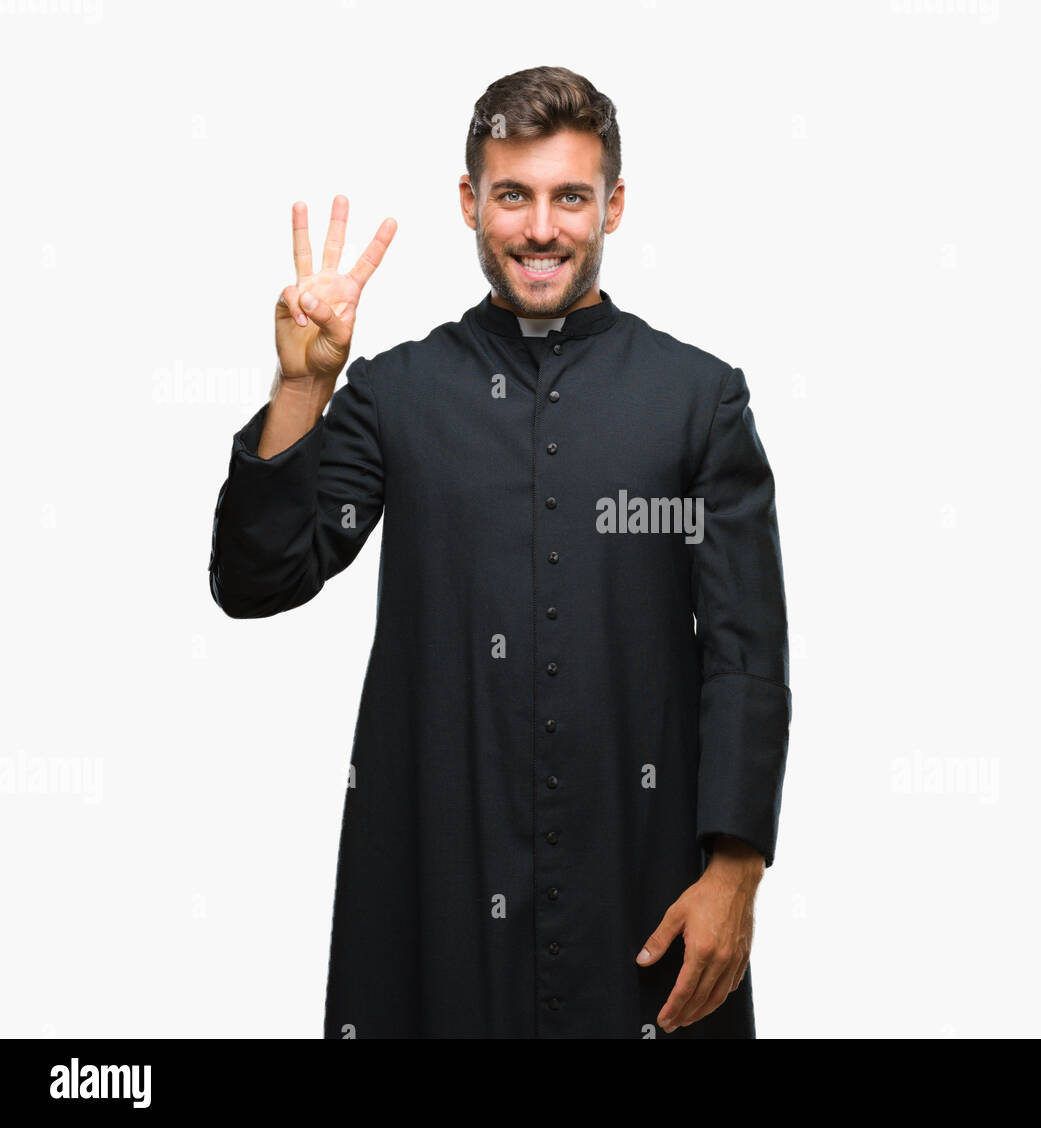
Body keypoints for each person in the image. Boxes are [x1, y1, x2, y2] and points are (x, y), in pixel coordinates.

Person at [207, 65, 791, 1038]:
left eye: (570, 196)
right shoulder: (396, 395)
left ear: (613, 205)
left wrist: (735, 875)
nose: (541, 228)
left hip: (642, 893)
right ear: (471, 203)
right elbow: (258, 580)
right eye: (513, 196)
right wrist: (302, 384)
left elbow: (744, 653)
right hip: (438, 892)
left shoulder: (699, 400)